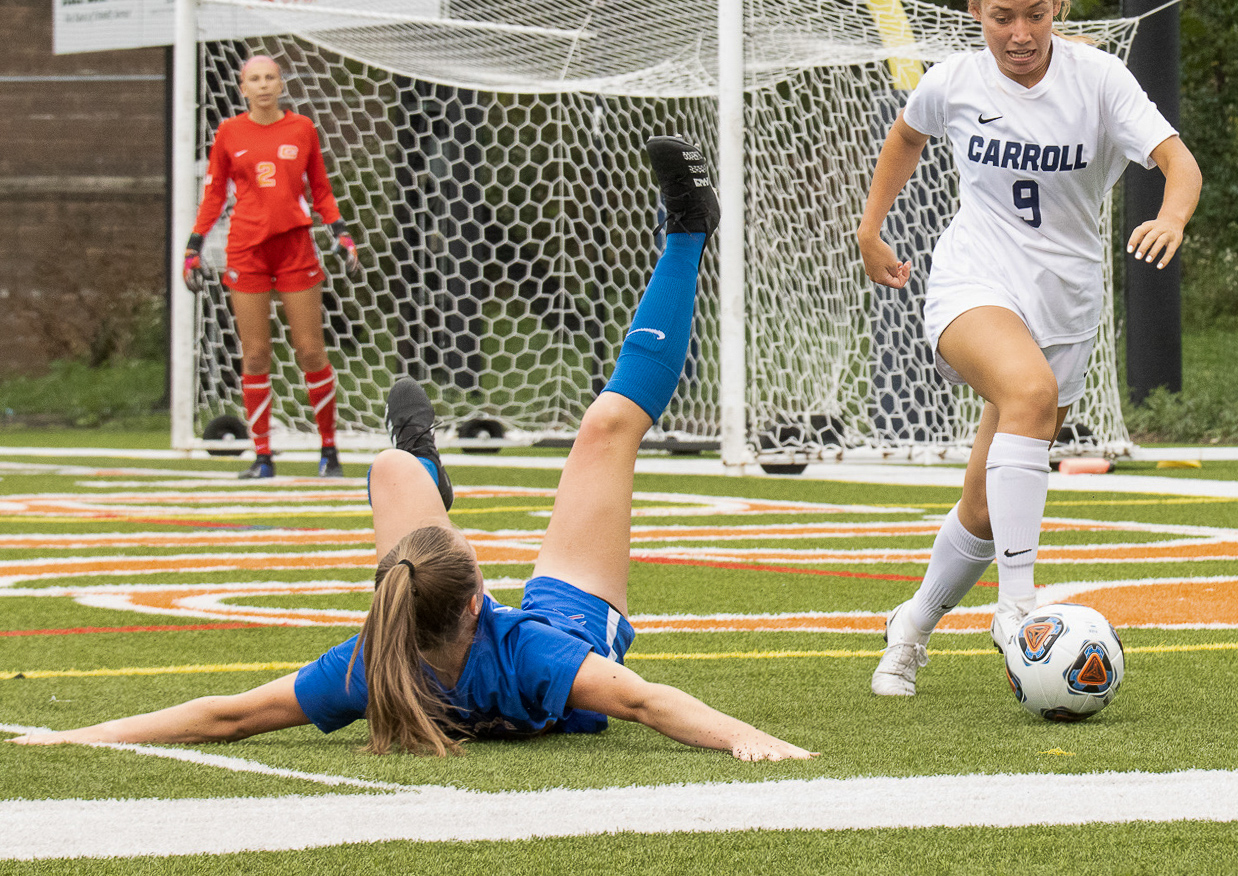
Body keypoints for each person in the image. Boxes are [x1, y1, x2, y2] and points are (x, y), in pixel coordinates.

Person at [11, 139, 815, 762]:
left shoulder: (381, 659)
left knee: (394, 466)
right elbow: (644, 702)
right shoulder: (533, 651)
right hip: (573, 625)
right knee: (609, 427)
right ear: (477, 601)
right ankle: (688, 234)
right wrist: (751, 738)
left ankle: (423, 465)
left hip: (481, 629)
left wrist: (82, 735)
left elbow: (232, 715)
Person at [857, 0, 1202, 697]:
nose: (1018, 34)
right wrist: (870, 229)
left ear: (1058, 9)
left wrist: (1172, 218)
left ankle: (909, 627)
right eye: (1001, 17)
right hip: (972, 282)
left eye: (1035, 16)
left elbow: (1180, 164)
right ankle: (1017, 612)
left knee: (985, 505)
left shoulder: (1099, 79)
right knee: (1028, 395)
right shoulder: (953, 82)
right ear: (974, 10)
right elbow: (907, 136)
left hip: (1066, 307)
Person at [181, 54, 361, 479]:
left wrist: (341, 233)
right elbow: (213, 196)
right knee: (256, 354)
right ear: (243, 88)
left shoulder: (301, 129)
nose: (263, 85)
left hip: (295, 246)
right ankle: (262, 457)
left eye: (270, 78)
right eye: (254, 79)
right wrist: (193, 247)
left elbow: (320, 189)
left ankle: (329, 451)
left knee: (310, 351)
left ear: (281, 84)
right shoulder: (229, 133)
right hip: (246, 251)